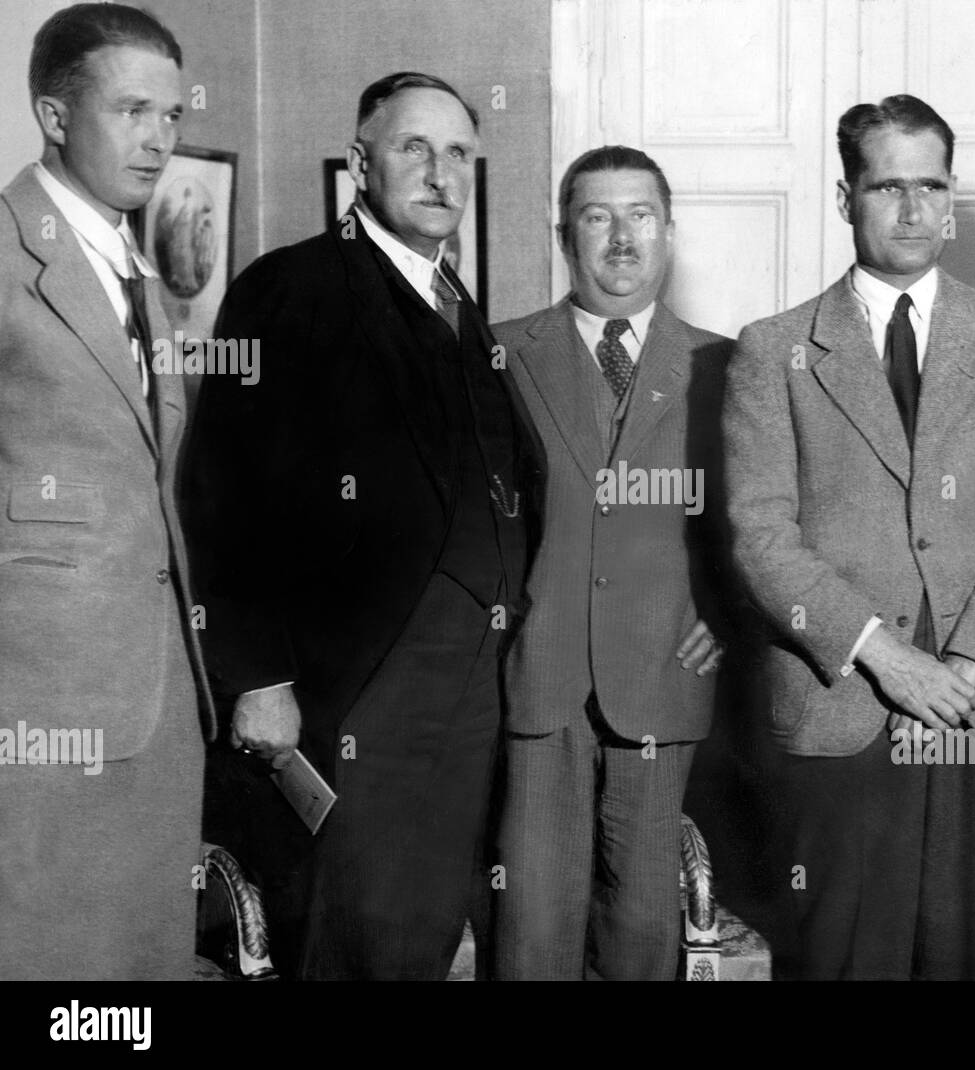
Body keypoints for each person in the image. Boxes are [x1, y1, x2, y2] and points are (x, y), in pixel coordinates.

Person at [185, 72, 536, 980]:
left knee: (423, 928)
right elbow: (220, 491)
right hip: (363, 682)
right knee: (349, 932)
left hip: (474, 685)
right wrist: (257, 675)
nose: (440, 172)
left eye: (458, 152)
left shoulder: (455, 301)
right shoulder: (292, 287)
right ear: (360, 163)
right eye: (414, 148)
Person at [724, 95, 975, 980]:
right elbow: (761, 537)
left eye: (931, 187)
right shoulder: (773, 349)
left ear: (952, 202)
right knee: (841, 957)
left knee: (958, 956)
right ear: (846, 200)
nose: (912, 210)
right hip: (839, 707)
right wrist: (884, 653)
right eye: (887, 188)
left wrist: (968, 662)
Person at [0, 3, 213, 980]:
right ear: (52, 114)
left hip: (162, 697)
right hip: (41, 703)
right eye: (133, 110)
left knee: (139, 966)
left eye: (169, 114)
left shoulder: (141, 270)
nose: (160, 139)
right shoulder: (9, 256)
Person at [492, 146, 732, 980]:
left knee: (641, 926)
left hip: (664, 670)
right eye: (598, 217)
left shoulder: (726, 364)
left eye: (640, 216)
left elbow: (764, 520)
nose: (621, 237)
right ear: (565, 236)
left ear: (669, 233)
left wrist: (726, 614)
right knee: (532, 924)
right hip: (538, 673)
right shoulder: (500, 356)